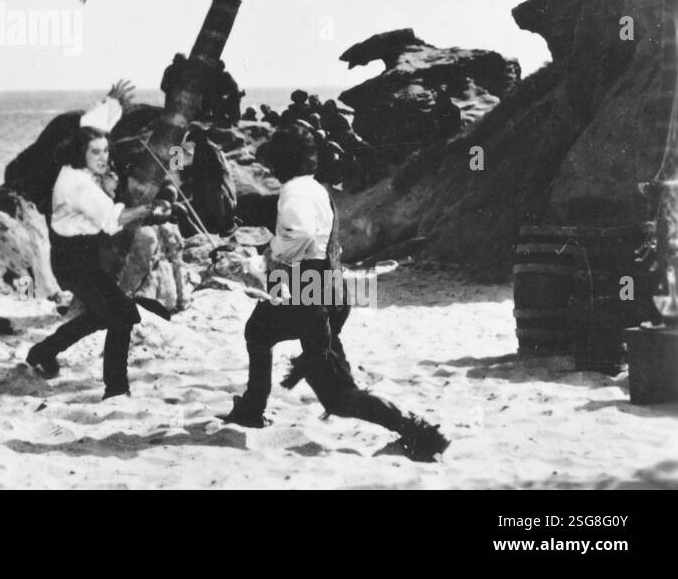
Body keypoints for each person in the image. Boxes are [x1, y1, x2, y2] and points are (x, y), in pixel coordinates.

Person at [219, 124, 449, 462]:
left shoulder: (294, 192)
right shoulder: (315, 189)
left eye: (274, 161)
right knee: (263, 333)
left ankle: (413, 429)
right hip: (327, 292)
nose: (269, 169)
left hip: (308, 295)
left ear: (285, 161)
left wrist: (264, 259)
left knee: (334, 394)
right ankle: (414, 429)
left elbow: (299, 234)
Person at [26, 124, 170, 399]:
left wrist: (112, 103)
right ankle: (116, 388)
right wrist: (153, 209)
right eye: (95, 152)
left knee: (100, 316)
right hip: (74, 261)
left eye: (106, 150)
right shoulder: (79, 184)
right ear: (82, 152)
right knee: (123, 314)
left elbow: (91, 123)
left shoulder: (74, 171)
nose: (103, 157)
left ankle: (42, 352)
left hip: (79, 257)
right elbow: (113, 218)